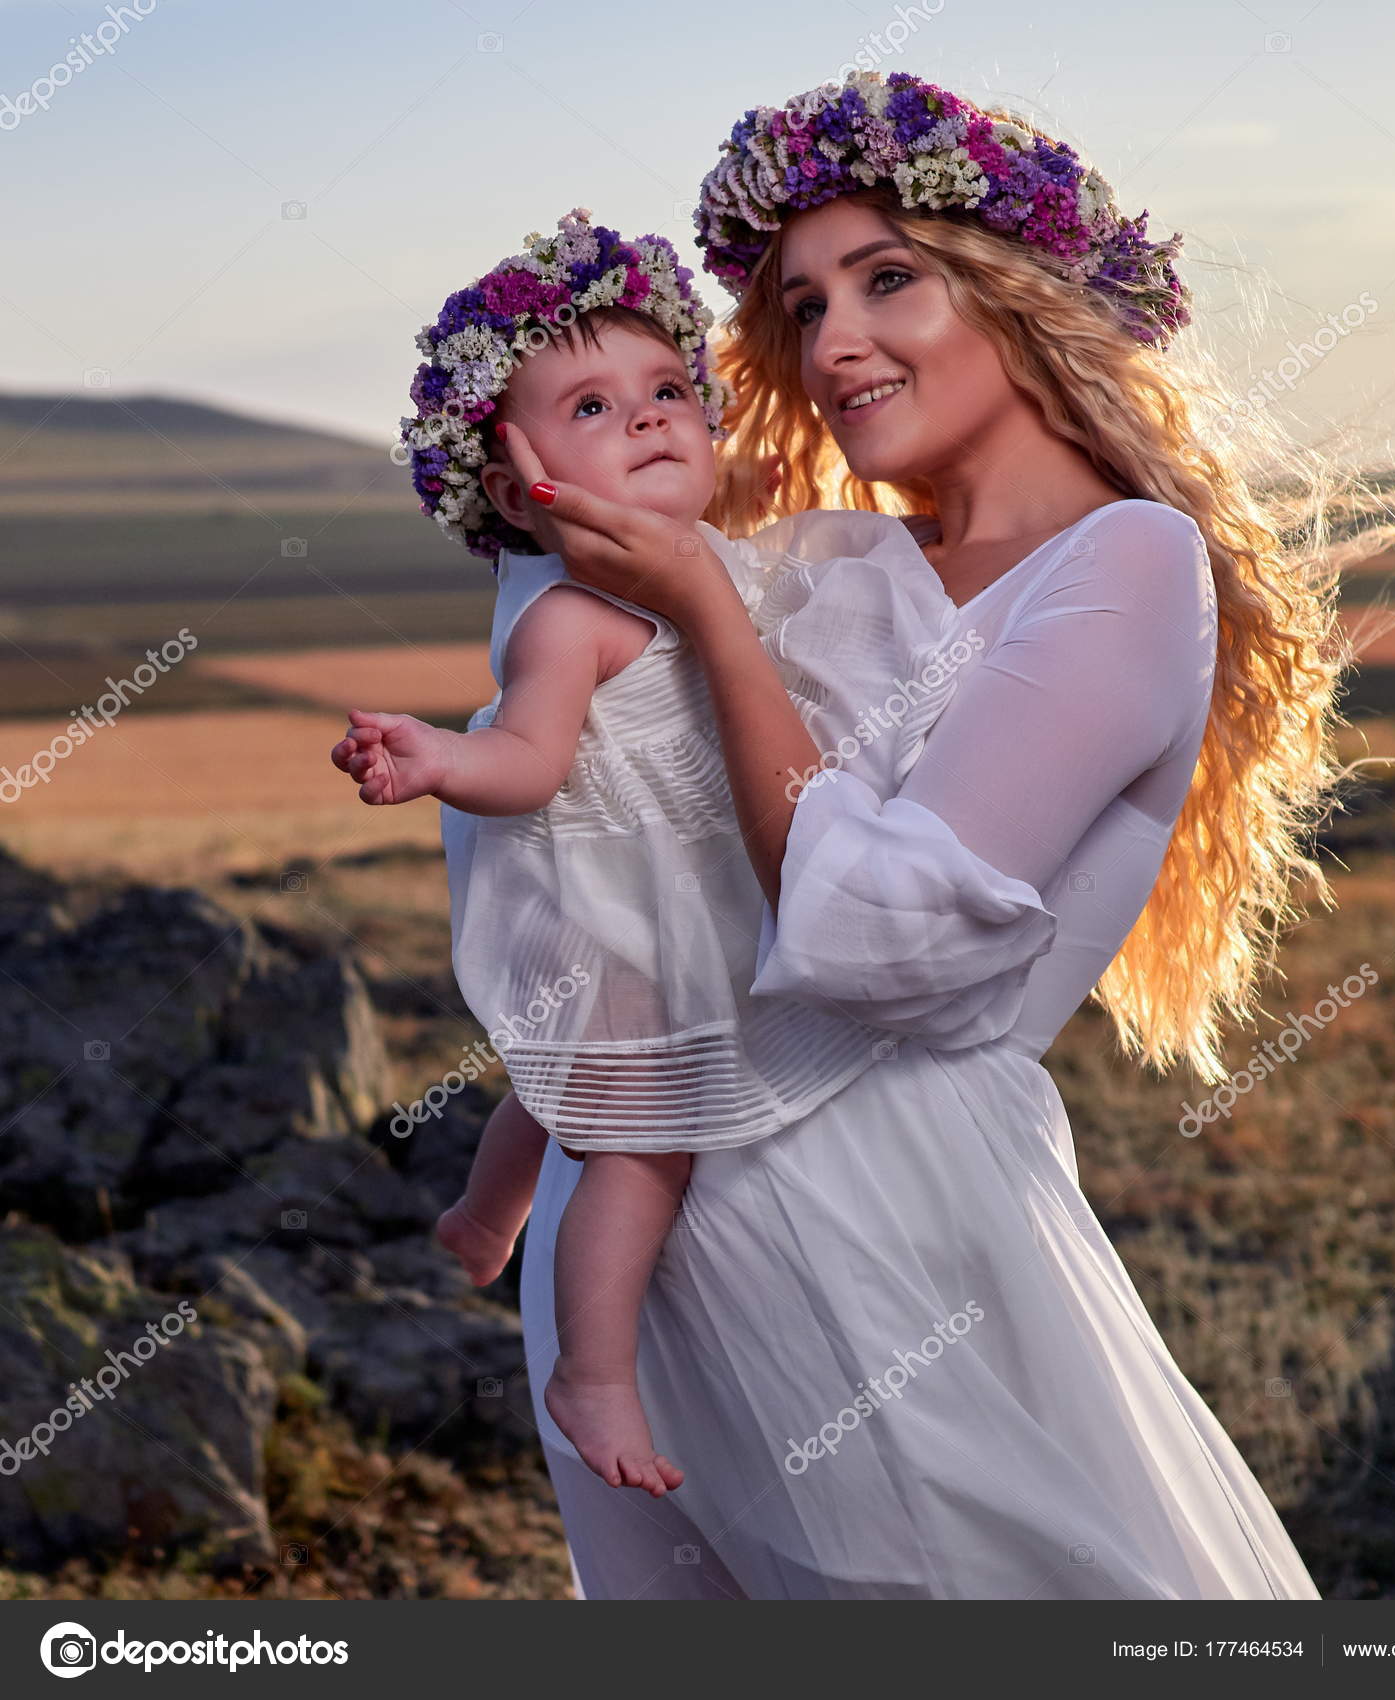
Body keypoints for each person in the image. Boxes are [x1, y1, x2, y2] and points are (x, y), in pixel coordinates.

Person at [500, 71, 1395, 1598]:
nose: (834, 344)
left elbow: (875, 942)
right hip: (637, 1227)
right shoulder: (830, 565)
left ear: (1023, 294)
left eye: (889, 279)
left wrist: (707, 608)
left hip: (884, 1230)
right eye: (800, 304)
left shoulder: (1129, 564)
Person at [330, 207, 983, 1500]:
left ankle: (482, 1214)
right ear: (515, 490)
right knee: (643, 1136)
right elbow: (522, 761)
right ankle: (597, 1366)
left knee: (580, 1063)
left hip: (692, 893)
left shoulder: (726, 569)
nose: (647, 418)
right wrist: (435, 760)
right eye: (589, 408)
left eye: (669, 389)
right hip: (631, 896)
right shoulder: (570, 620)